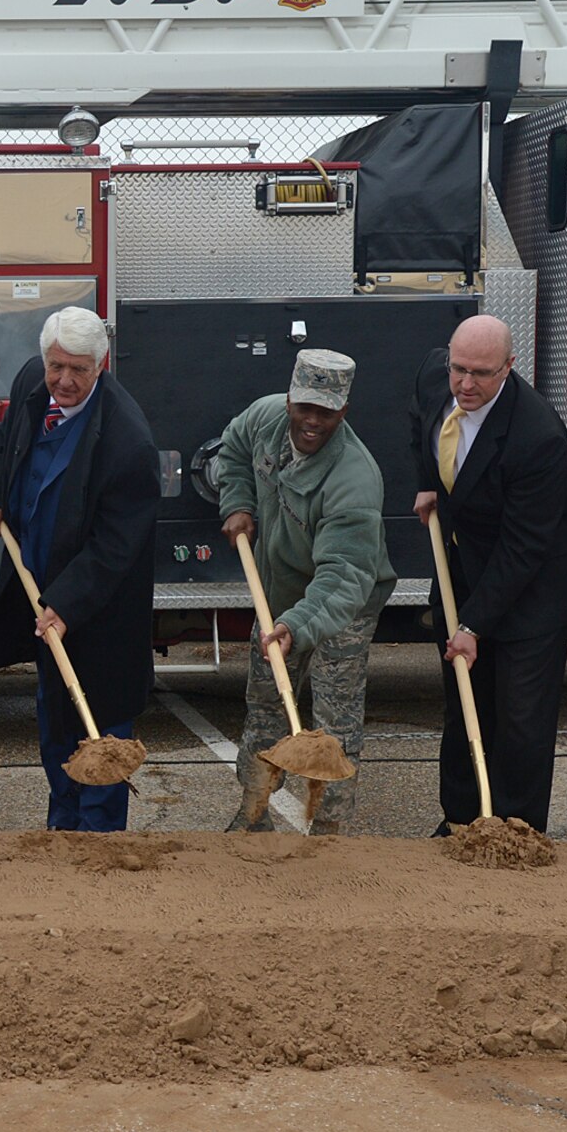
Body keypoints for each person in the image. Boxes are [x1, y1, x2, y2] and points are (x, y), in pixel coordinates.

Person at [0, 308, 158, 832]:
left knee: (99, 724)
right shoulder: (32, 385)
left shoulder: (128, 441)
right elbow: (3, 444)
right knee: (55, 720)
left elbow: (116, 545)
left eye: (79, 369)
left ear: (101, 366)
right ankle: (63, 829)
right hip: (39, 585)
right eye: (56, 365)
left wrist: (68, 602)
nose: (64, 380)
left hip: (99, 608)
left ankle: (100, 842)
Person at [410, 314, 567, 833]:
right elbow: (418, 419)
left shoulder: (536, 436)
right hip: (466, 567)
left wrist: (472, 628)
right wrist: (428, 481)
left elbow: (524, 547)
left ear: (509, 367)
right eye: (458, 369)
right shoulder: (435, 377)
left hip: (534, 587)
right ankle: (461, 819)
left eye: (482, 374)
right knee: (465, 704)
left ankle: (517, 828)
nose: (466, 384)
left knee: (520, 720)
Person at [217, 350, 393, 834]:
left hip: (343, 604)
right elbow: (230, 451)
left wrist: (297, 625)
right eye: (305, 407)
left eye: (327, 412)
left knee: (334, 720)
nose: (313, 422)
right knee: (266, 702)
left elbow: (342, 578)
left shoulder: (354, 478)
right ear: (290, 397)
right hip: (276, 588)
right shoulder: (264, 417)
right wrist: (237, 501)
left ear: (344, 411)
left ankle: (329, 828)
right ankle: (253, 811)